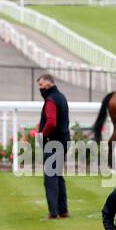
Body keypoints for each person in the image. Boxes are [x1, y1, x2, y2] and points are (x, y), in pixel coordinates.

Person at [38, 73, 70, 219]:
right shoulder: (62, 96)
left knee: (50, 177)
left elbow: (51, 122)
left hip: (53, 141)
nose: (40, 88)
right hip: (63, 140)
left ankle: (54, 212)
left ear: (48, 85)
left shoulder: (50, 100)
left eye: (41, 85)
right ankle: (63, 210)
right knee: (58, 175)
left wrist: (42, 134)